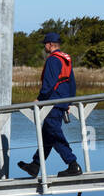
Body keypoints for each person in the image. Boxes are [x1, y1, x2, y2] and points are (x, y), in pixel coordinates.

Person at [18, 32, 82, 178]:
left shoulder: (53, 60)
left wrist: (40, 99)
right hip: (61, 102)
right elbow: (72, 83)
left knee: (53, 134)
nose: (44, 46)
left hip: (53, 103)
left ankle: (73, 164)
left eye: (45, 44)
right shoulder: (65, 59)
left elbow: (49, 83)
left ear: (50, 44)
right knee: (47, 134)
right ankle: (35, 165)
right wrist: (68, 102)